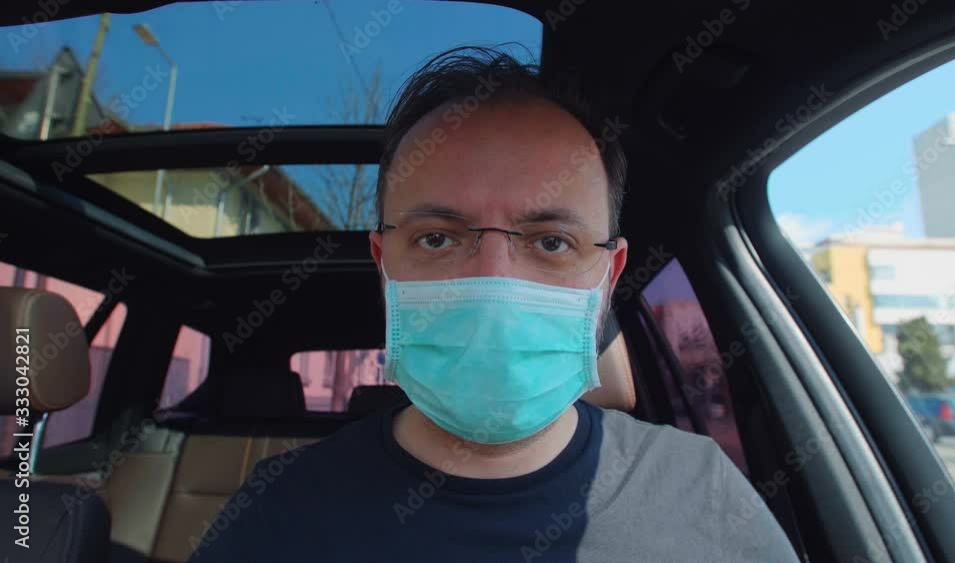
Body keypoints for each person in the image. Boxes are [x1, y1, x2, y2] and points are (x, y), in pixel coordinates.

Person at [188, 46, 798, 562]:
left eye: (552, 242)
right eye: (437, 238)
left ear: (609, 277)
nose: (494, 283)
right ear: (383, 265)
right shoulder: (277, 512)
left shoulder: (704, 491)